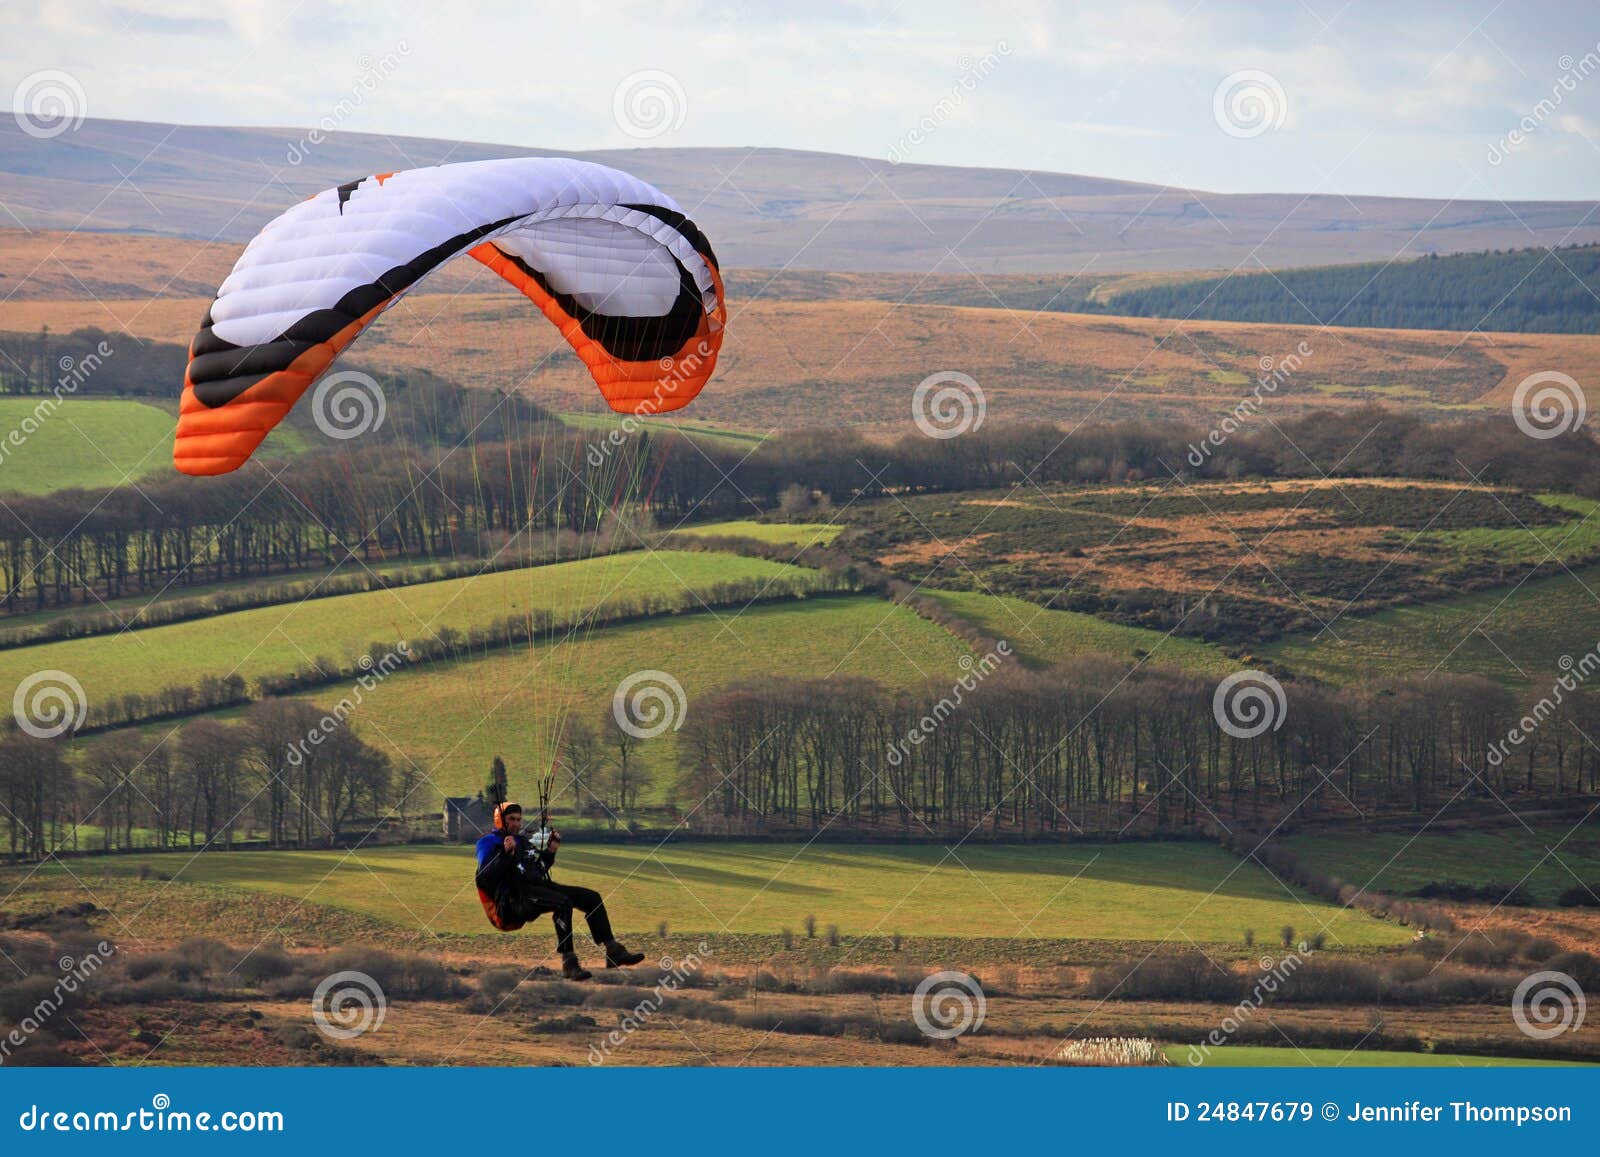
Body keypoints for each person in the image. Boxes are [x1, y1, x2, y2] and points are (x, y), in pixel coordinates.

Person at [474, 802, 645, 980]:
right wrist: (505, 854)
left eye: (518, 819)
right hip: (512, 900)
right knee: (563, 903)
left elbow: (537, 870)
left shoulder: (522, 842)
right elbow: (485, 875)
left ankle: (613, 950)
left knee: (592, 898)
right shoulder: (488, 842)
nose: (516, 824)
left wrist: (550, 851)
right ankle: (569, 962)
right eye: (511, 819)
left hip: (533, 889)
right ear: (500, 820)